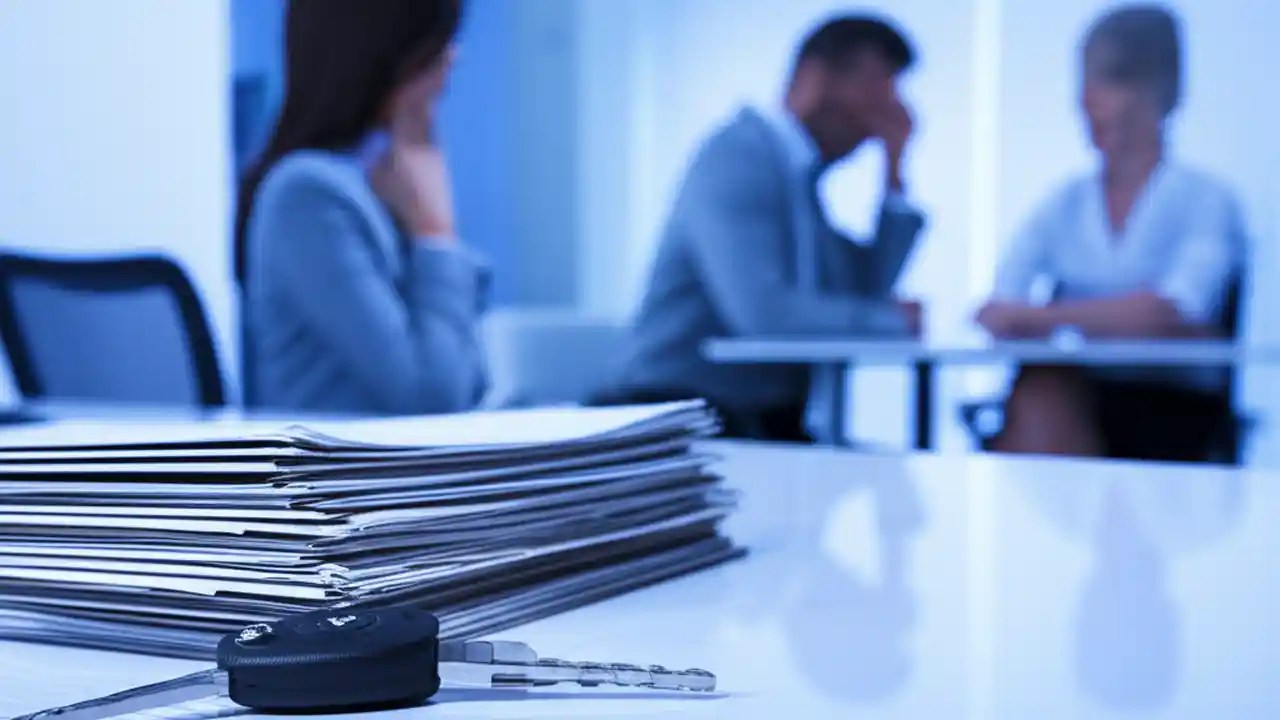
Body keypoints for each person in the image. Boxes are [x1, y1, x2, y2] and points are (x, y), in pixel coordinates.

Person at [609, 16, 927, 442]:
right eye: (876, 94)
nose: (883, 117)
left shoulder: (801, 178)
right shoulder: (739, 156)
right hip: (686, 415)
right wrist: (890, 320)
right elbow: (765, 314)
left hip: (768, 420)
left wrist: (894, 171)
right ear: (816, 77)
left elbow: (861, 292)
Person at [977, 5, 1247, 460]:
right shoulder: (1064, 204)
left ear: (1160, 91)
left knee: (1043, 396)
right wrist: (1111, 316)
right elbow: (999, 309)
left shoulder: (1205, 201)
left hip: (1174, 413)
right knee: (1044, 390)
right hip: (1073, 396)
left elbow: (1169, 315)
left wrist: (1046, 318)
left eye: (1112, 80)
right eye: (1086, 81)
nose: (1090, 100)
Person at [235, 0, 488, 415]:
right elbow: (432, 401)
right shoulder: (306, 195)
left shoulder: (384, 183)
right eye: (435, 45)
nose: (452, 58)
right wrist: (435, 232)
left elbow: (470, 382)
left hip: (409, 472)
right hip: (355, 477)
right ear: (385, 57)